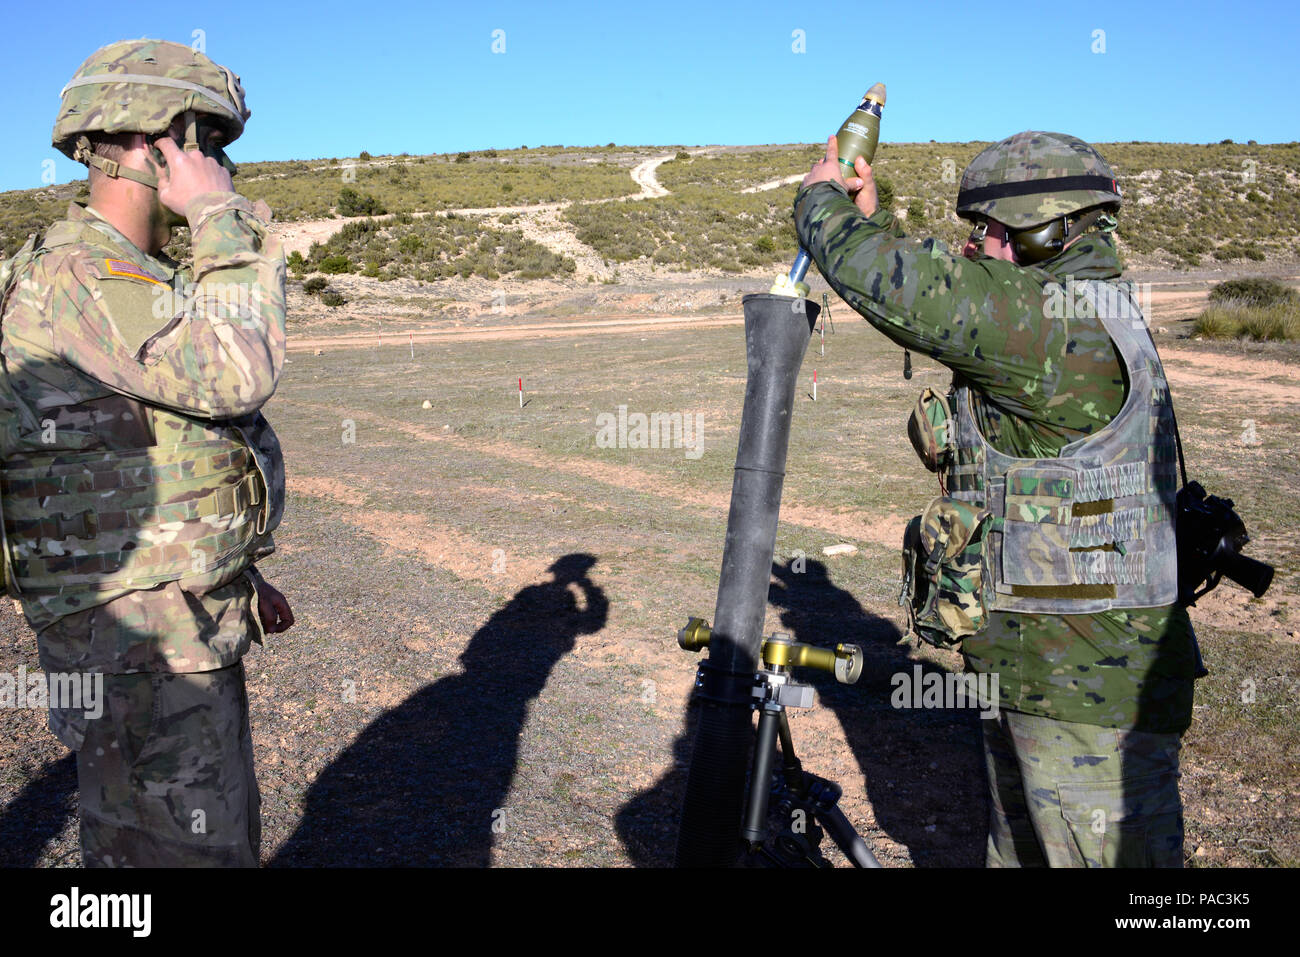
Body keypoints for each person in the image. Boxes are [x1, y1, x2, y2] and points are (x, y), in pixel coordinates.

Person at [795, 131, 1200, 867]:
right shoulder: (1076, 308)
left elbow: (915, 292)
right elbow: (945, 295)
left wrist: (822, 201)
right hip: (1046, 678)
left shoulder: (1055, 324)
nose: (975, 246)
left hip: (1086, 699)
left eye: (986, 230)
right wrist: (873, 221)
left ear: (1047, 230)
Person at [0, 38, 292, 866]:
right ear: (151, 141)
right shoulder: (82, 276)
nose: (219, 166)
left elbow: (150, 443)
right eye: (207, 142)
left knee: (175, 845)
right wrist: (217, 220)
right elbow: (238, 373)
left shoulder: (123, 273)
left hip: (166, 622)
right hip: (139, 645)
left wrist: (237, 568)